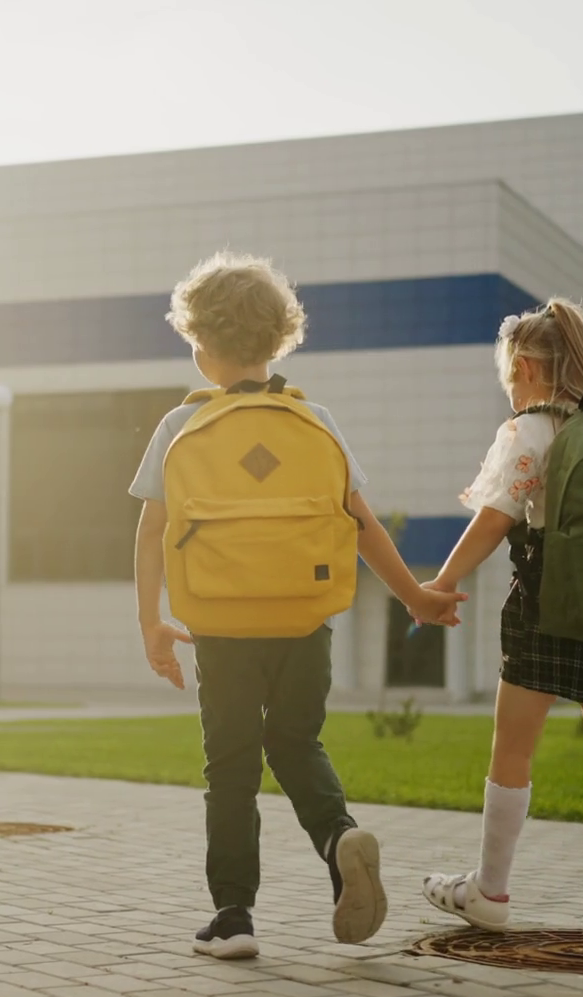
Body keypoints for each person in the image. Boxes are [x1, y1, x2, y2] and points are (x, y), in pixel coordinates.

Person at [131, 252, 463, 960]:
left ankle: (234, 917)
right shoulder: (315, 419)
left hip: (221, 624)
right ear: (279, 338)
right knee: (295, 742)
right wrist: (417, 597)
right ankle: (340, 839)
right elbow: (361, 524)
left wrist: (152, 623)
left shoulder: (180, 424)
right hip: (306, 620)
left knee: (231, 766)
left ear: (200, 343)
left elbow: (151, 532)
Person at [418, 298, 583, 955]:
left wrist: (439, 584)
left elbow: (494, 519)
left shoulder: (532, 429)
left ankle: (490, 891)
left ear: (526, 368)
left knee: (513, 747)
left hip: (548, 603)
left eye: (509, 377)